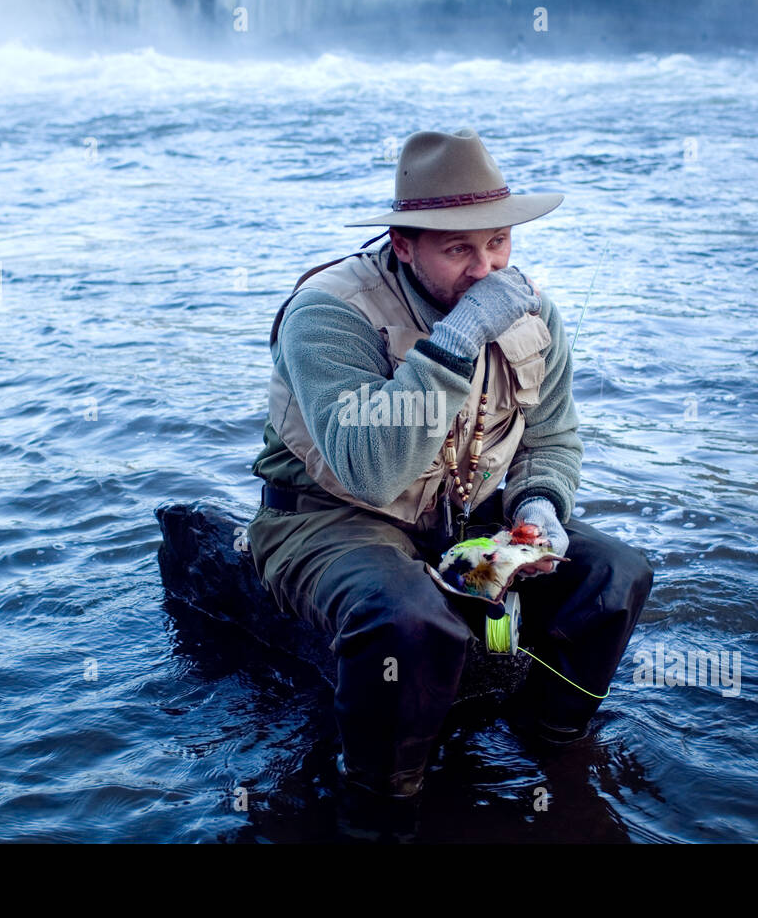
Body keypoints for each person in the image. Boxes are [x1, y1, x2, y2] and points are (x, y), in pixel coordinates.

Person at [247, 127, 654, 829]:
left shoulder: (532, 312)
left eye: (498, 242)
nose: (487, 268)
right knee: (405, 618)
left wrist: (539, 503)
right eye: (460, 248)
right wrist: (460, 337)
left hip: (462, 513)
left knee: (614, 576)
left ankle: (549, 747)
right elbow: (372, 472)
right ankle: (382, 800)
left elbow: (551, 435)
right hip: (329, 517)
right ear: (403, 244)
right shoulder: (326, 315)